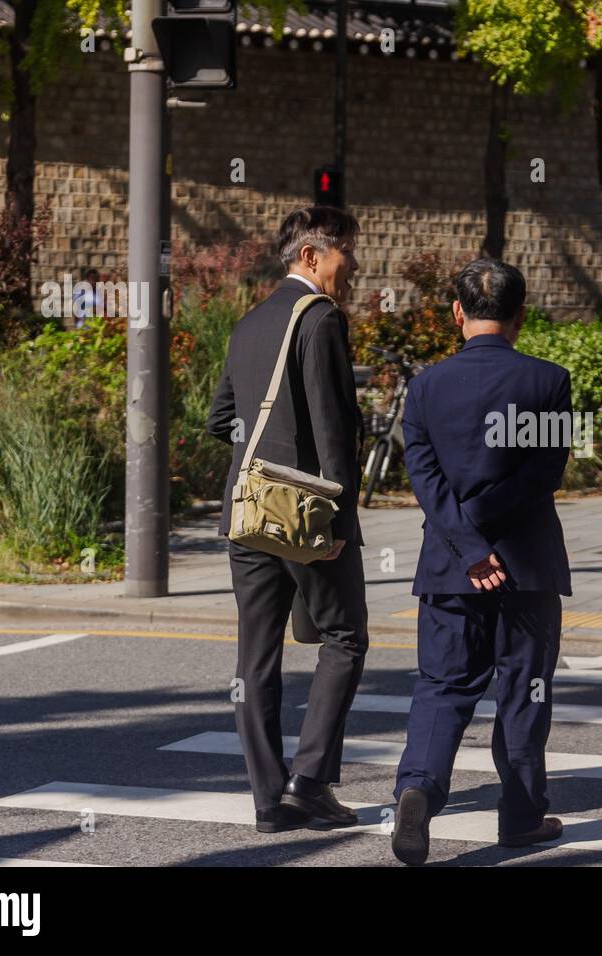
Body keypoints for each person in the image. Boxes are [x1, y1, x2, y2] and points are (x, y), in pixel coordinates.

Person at [390, 258, 572, 866]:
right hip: (527, 567)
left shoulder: (425, 387)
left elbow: (424, 479)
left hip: (449, 566)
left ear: (456, 314)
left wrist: (468, 545)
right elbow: (544, 473)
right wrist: (490, 535)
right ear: (521, 316)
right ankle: (521, 817)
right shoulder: (549, 381)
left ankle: (417, 791)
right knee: (525, 690)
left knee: (443, 688)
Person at [206, 206, 368, 833]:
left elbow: (222, 420)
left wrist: (267, 447)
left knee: (256, 656)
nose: (351, 265)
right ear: (311, 257)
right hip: (304, 517)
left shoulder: (248, 323)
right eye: (345, 253)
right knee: (344, 637)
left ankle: (269, 801)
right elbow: (334, 432)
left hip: (245, 512)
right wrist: (336, 525)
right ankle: (311, 782)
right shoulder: (321, 318)